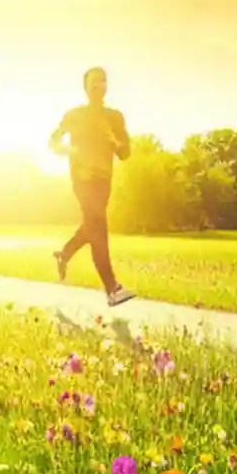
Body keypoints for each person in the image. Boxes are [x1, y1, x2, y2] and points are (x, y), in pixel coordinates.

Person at [48, 67, 136, 307]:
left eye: (103, 81)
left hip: (103, 180)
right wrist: (69, 150)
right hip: (82, 179)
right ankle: (112, 288)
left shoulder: (114, 117)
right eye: (94, 81)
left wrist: (115, 143)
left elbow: (126, 153)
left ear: (107, 86)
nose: (99, 85)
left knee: (92, 226)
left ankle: (64, 254)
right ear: (85, 87)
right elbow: (53, 141)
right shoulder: (74, 115)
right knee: (98, 224)